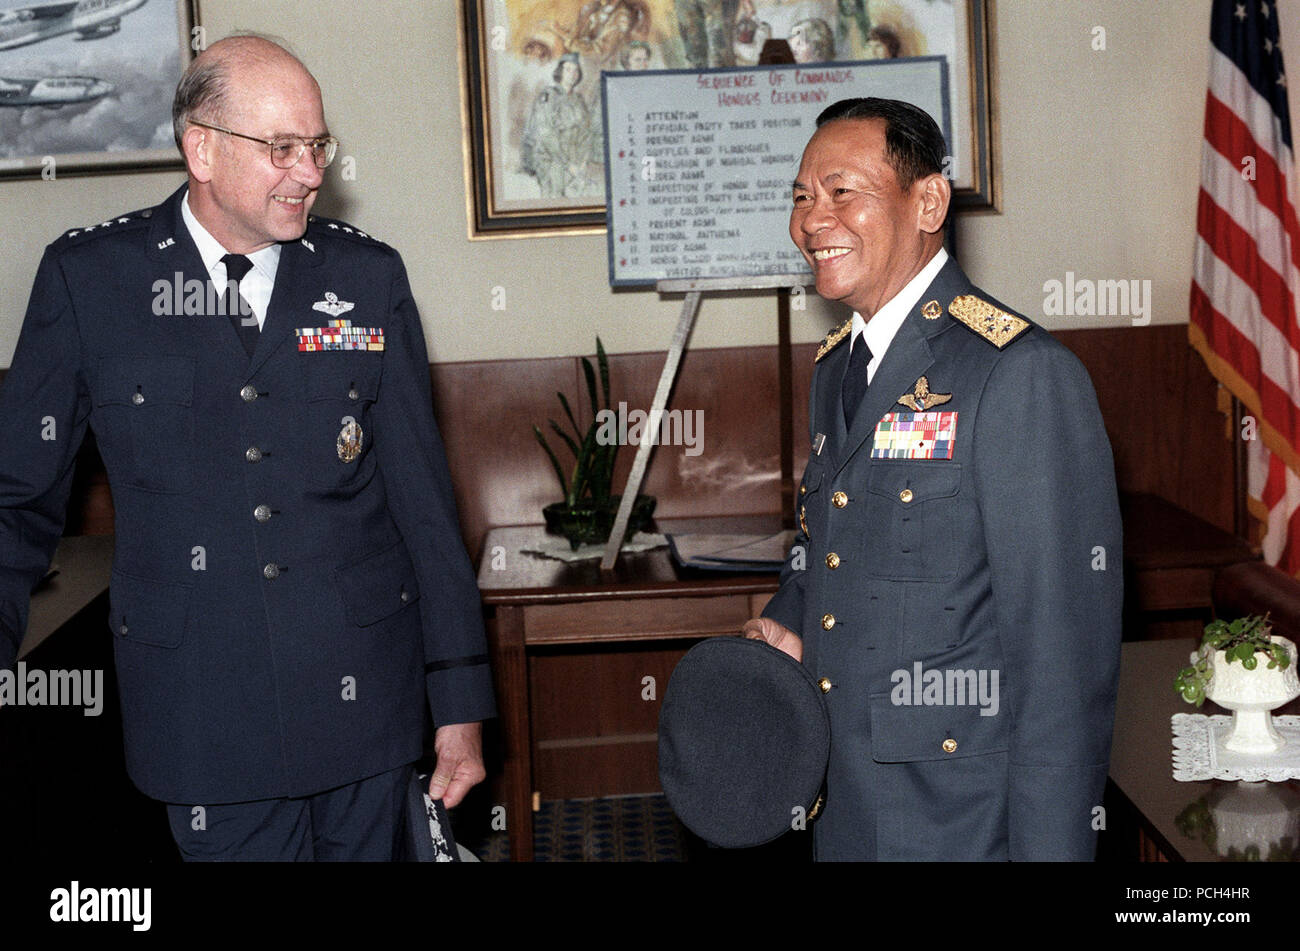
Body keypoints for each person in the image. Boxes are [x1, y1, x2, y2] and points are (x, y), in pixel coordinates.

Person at [0, 34, 495, 860]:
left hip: (364, 705)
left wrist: (460, 701)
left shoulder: (367, 279)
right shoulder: (91, 280)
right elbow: (15, 500)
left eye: (317, 146)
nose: (311, 172)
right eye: (283, 149)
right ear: (201, 146)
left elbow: (423, 507)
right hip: (201, 718)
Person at [743, 98, 1121, 861]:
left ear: (929, 201)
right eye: (801, 196)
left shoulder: (1018, 374)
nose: (814, 219)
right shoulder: (837, 368)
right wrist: (788, 612)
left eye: (842, 190)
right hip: (841, 798)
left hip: (960, 821)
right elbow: (830, 539)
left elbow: (1061, 663)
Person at [520, 52, 596, 198]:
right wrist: (568, 164)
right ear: (560, 71)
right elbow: (546, 134)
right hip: (552, 160)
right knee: (555, 200)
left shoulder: (579, 100)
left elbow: (587, 132)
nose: (572, 74)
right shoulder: (549, 96)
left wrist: (583, 161)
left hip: (575, 160)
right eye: (568, 69)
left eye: (576, 70)